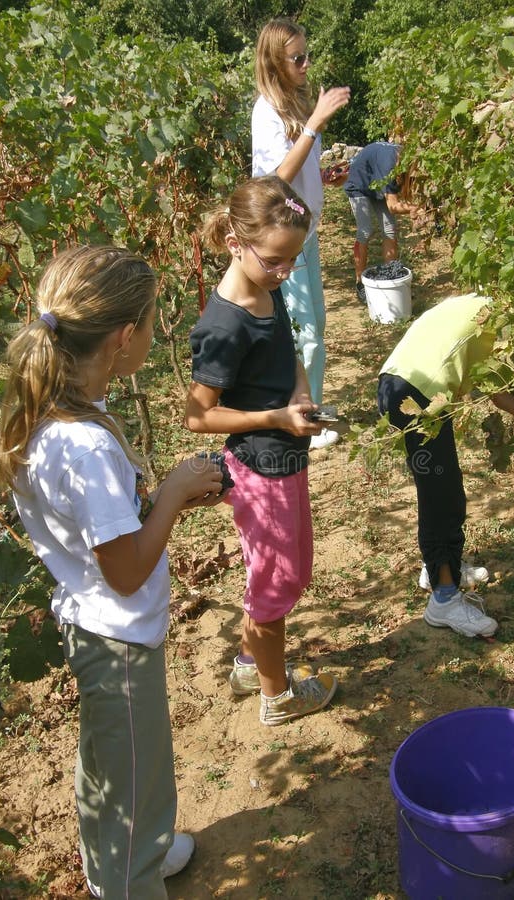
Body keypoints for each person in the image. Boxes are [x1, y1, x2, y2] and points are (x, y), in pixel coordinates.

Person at [0, 245, 227, 899]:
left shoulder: (55, 418)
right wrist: (177, 493)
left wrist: (157, 504)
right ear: (126, 338)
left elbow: (104, 537)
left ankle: (120, 861)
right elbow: (125, 570)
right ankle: (130, 873)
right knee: (136, 784)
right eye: (152, 325)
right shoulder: (89, 445)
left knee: (107, 768)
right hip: (119, 642)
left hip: (93, 628)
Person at [184, 175, 339, 726]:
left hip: (284, 458)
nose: (285, 272)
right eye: (276, 260)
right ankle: (278, 698)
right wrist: (276, 417)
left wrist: (300, 392)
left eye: (294, 259)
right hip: (261, 467)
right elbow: (198, 414)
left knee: (287, 574)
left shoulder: (266, 288)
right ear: (235, 243)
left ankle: (251, 661)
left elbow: (289, 347)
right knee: (276, 585)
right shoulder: (224, 325)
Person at [378, 293, 514, 638]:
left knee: (444, 491)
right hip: (415, 397)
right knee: (441, 499)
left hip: (396, 384)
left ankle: (441, 570)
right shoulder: (504, 327)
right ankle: (443, 599)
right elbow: (498, 394)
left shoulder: (476, 304)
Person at [252, 17, 350, 449]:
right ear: (276, 62)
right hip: (283, 238)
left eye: (307, 56)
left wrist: (320, 176)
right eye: (298, 58)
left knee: (316, 325)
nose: (307, 65)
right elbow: (276, 178)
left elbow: (299, 168)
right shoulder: (266, 111)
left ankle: (309, 407)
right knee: (304, 329)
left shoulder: (290, 104)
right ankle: (304, 420)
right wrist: (314, 126)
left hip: (304, 233)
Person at [343, 140, 421, 303]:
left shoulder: (405, 158)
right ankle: (360, 283)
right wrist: (415, 208)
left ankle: (391, 277)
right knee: (365, 230)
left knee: (390, 229)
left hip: (376, 183)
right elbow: (393, 206)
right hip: (359, 184)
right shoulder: (389, 167)